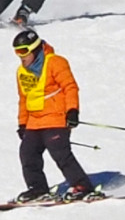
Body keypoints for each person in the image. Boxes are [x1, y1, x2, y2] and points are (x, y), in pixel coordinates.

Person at [10, 29, 100, 204]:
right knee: (27, 154)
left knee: (59, 152)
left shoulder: (56, 62)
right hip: (34, 121)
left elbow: (70, 87)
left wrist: (72, 111)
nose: (21, 57)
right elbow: (23, 99)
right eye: (17, 52)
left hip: (56, 117)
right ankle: (37, 188)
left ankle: (82, 186)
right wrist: (22, 124)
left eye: (23, 51)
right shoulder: (21, 72)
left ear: (35, 49)